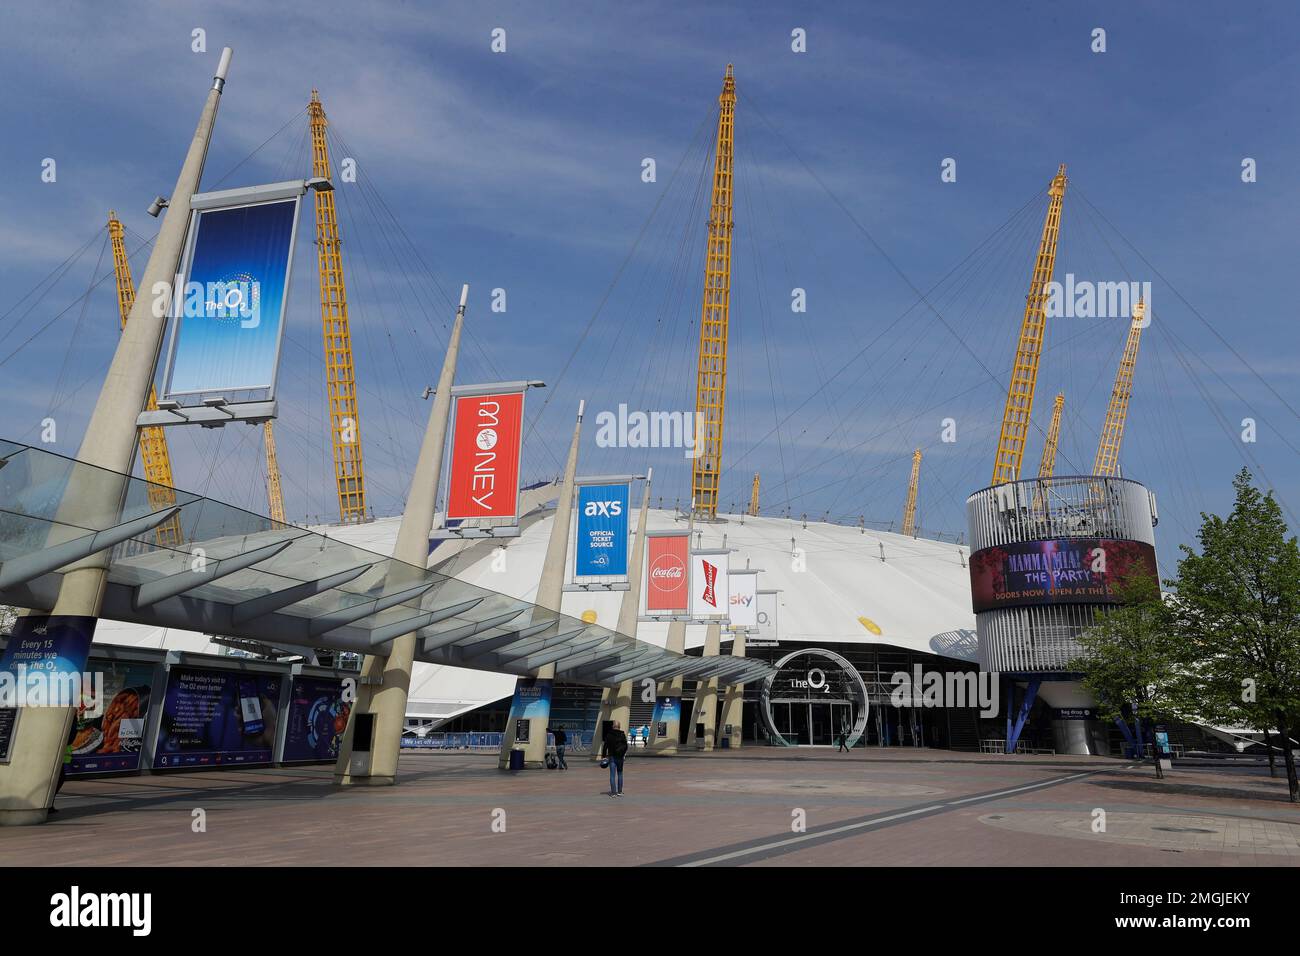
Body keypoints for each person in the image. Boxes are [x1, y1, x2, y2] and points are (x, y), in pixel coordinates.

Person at [601, 719, 629, 797]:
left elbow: (605, 746)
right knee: (620, 774)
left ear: (613, 726)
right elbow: (626, 746)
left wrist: (603, 756)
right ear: (619, 727)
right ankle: (620, 792)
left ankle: (613, 793)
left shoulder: (609, 734)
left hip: (612, 757)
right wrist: (623, 754)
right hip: (620, 757)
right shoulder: (622, 734)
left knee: (612, 775)